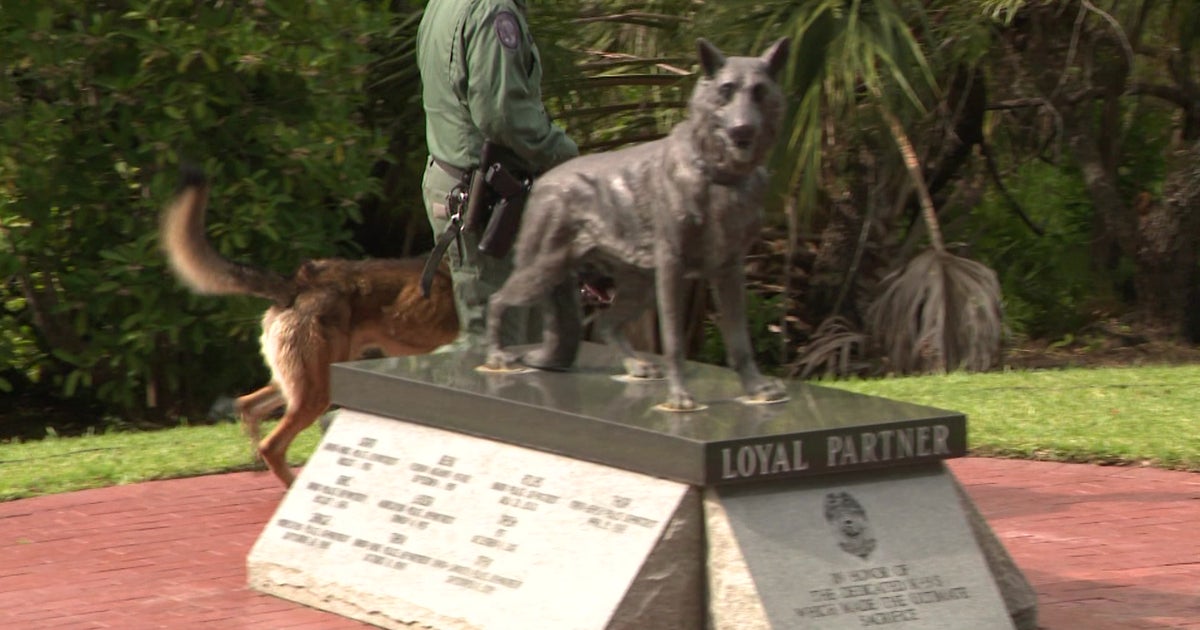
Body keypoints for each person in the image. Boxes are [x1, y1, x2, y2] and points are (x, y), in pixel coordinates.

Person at [417, 0, 579, 349]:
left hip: (460, 181)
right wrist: (565, 153)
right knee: (496, 347)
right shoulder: (493, 11)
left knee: (521, 340)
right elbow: (502, 115)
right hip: (485, 194)